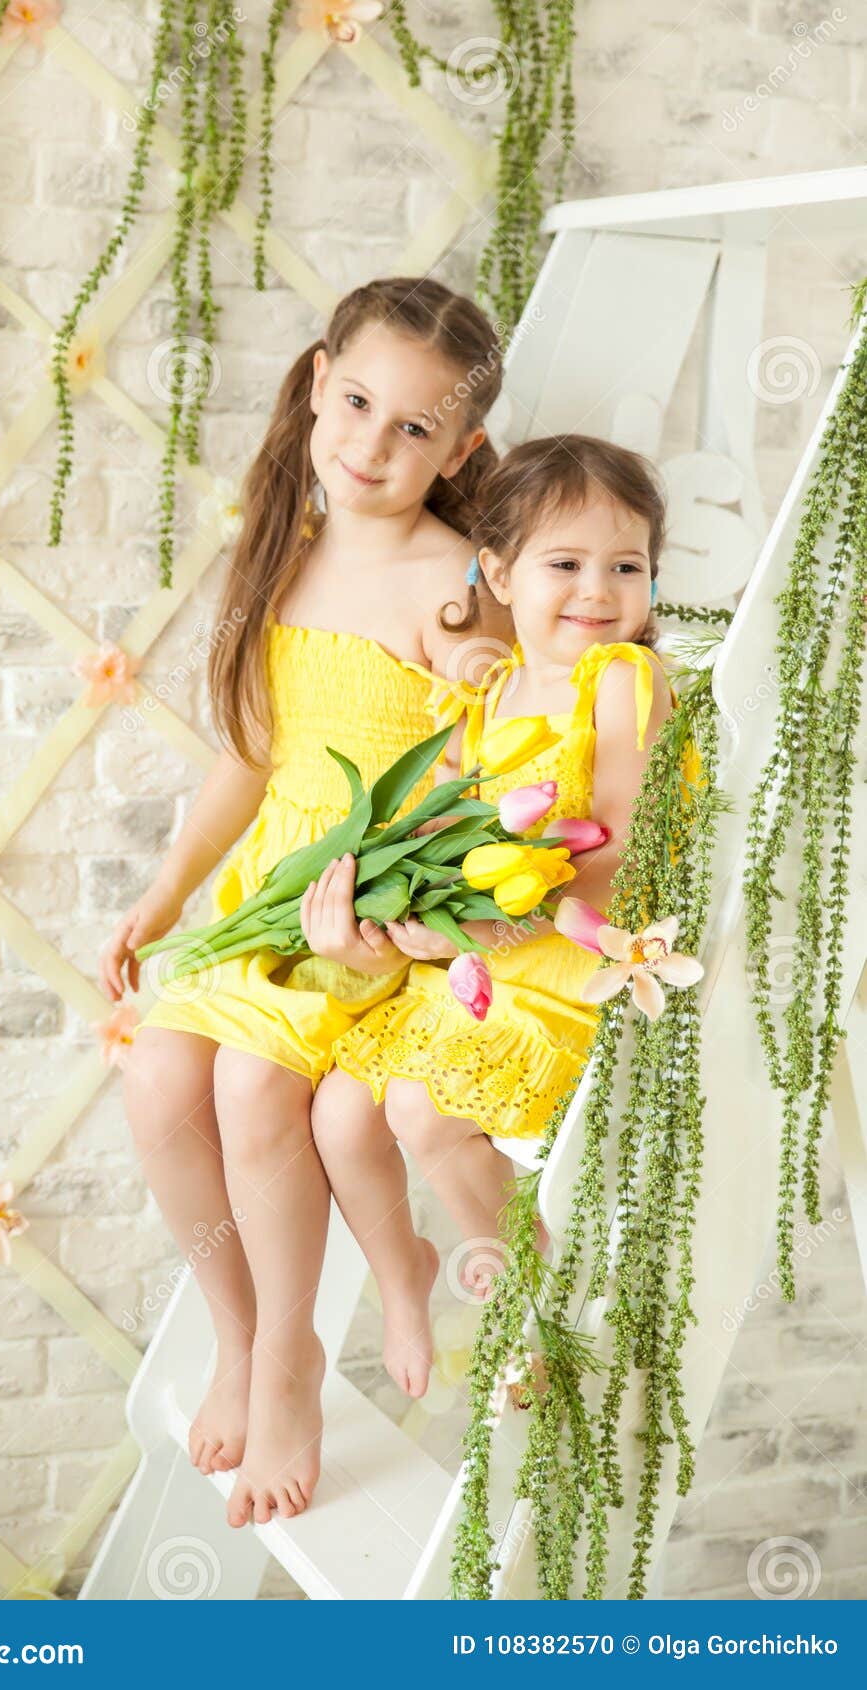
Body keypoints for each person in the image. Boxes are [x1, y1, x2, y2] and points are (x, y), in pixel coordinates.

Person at [99, 277, 509, 1526]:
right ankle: (237, 1329)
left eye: (413, 428)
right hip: (275, 888)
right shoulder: (287, 554)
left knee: (248, 1082)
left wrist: (404, 922)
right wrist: (166, 891)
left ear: (461, 450)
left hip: (372, 908)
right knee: (154, 1076)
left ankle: (288, 1357)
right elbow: (254, 756)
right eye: (357, 403)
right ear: (319, 379)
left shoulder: (459, 583)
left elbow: (489, 789)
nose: (371, 445)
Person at [306, 434, 699, 1400]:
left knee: (416, 1105)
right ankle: (405, 1285)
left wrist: (485, 928)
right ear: (498, 573)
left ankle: (538, 1303)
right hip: (491, 956)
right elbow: (445, 838)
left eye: (625, 567)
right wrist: (411, 913)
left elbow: (614, 856)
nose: (596, 591)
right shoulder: (487, 696)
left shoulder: (622, 680)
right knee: (340, 1114)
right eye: (564, 565)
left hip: (581, 957)